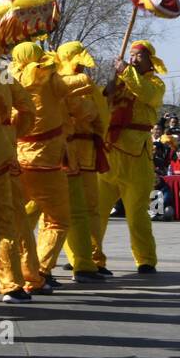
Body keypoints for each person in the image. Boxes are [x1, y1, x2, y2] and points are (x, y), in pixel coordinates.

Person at [10, 41, 85, 289]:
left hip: (16, 158)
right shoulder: (48, 78)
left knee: (12, 221)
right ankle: (39, 271)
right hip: (46, 163)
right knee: (58, 220)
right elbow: (77, 86)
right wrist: (81, 72)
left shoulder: (7, 77)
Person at [96, 40, 166, 274]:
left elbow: (147, 95)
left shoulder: (155, 83)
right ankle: (88, 256)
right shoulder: (120, 82)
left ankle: (145, 259)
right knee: (96, 210)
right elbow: (101, 102)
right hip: (110, 151)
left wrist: (125, 71)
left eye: (139, 56)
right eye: (132, 55)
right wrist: (109, 85)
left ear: (150, 61)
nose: (134, 59)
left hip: (137, 154)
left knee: (137, 215)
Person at [56, 41, 109, 282]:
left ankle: (87, 259)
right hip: (71, 152)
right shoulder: (68, 85)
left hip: (74, 151)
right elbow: (97, 116)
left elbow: (100, 117)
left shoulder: (55, 83)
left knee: (83, 209)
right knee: (81, 210)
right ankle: (85, 260)